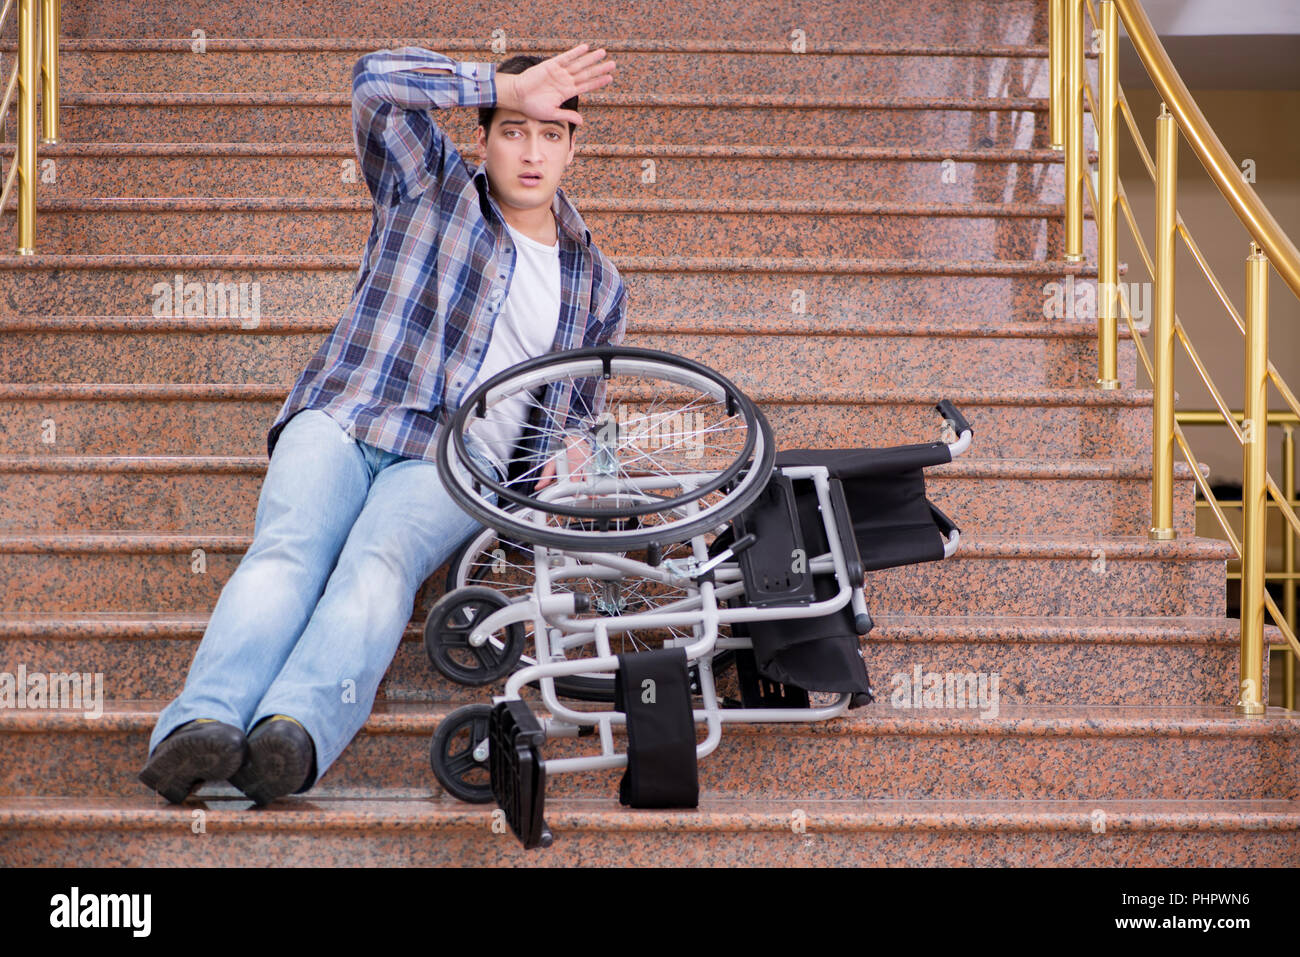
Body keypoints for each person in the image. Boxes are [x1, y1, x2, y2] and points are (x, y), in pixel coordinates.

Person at [139, 43, 623, 805]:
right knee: (288, 551)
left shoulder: (596, 281)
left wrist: (564, 476)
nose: (532, 152)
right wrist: (502, 83)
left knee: (378, 564)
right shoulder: (425, 180)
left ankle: (292, 732)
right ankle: (197, 724)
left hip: (449, 462)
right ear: (485, 135)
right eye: (513, 129)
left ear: (575, 145)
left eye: (551, 133)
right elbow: (373, 82)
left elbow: (578, 423)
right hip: (347, 408)